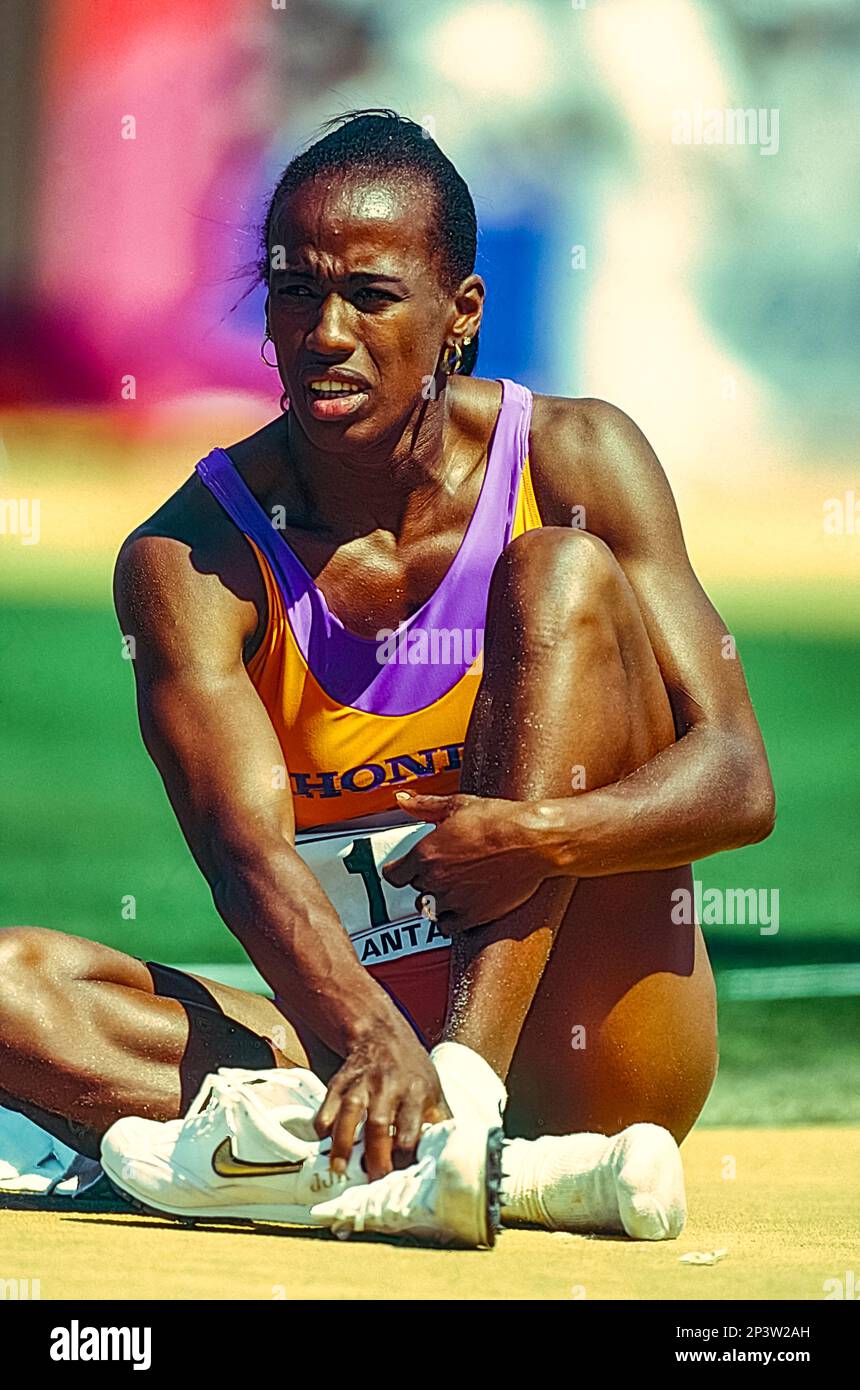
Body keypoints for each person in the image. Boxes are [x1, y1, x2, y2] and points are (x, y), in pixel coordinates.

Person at [0, 110, 774, 1235]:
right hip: (353, 1043)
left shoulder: (575, 457)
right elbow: (243, 853)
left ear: (459, 313)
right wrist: (366, 1037)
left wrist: (534, 834)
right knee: (11, 985)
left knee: (558, 575)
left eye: (368, 295)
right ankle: (452, 1160)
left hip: (594, 1053)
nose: (324, 332)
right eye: (293, 293)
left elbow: (736, 779)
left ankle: (446, 1099)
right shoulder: (191, 558)